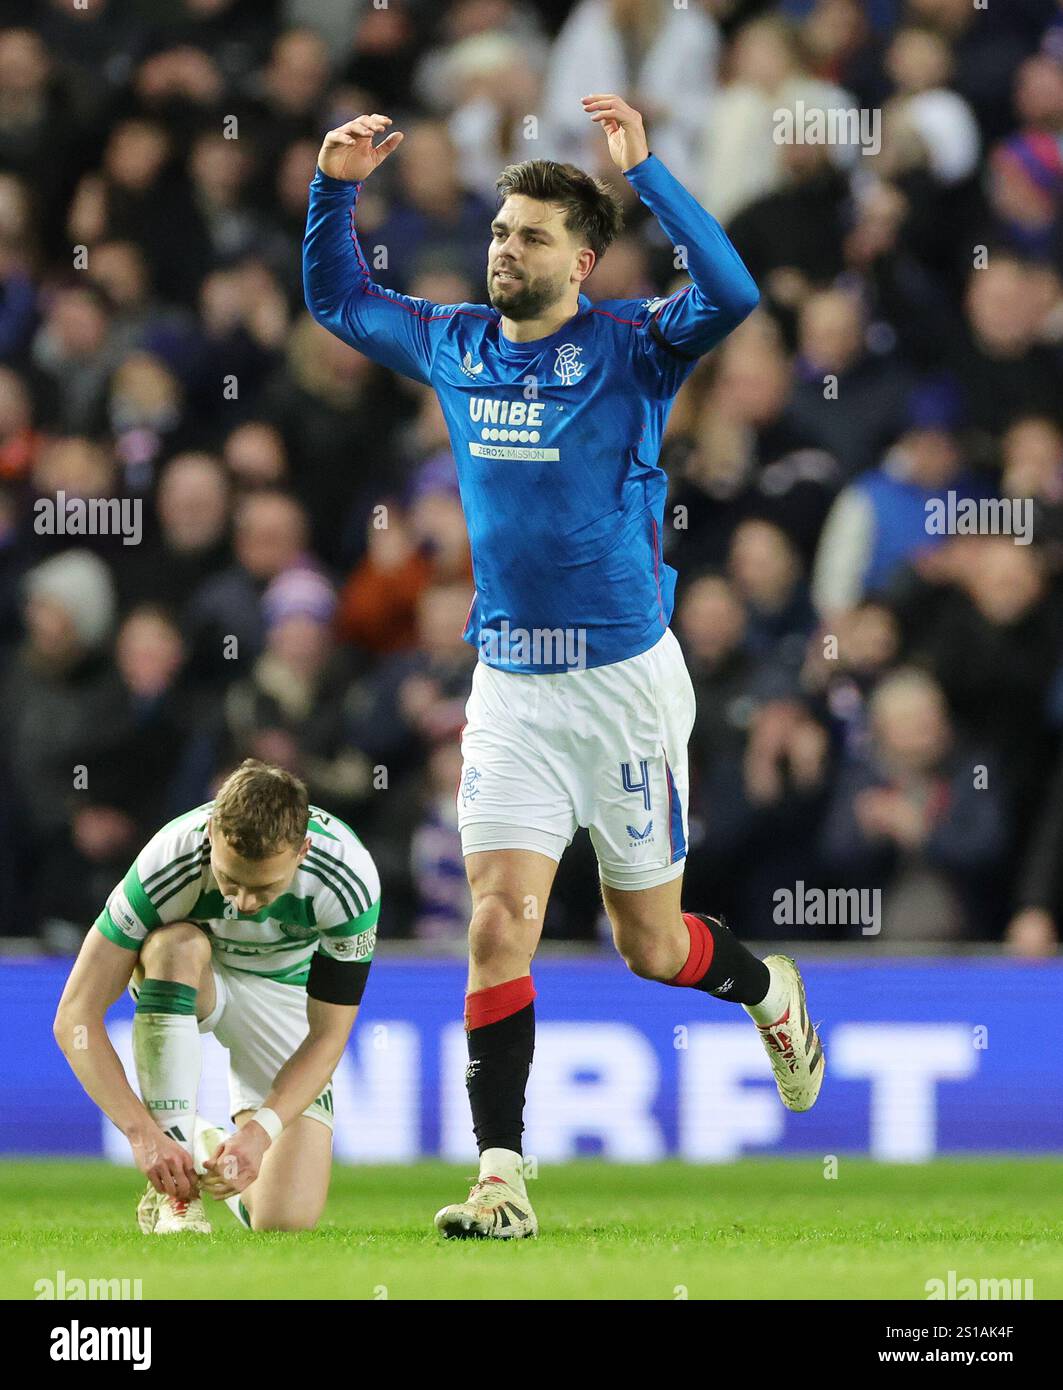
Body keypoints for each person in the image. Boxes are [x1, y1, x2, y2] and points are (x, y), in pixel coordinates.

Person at [303, 97, 824, 1242]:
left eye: (532, 236)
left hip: (624, 685)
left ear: (582, 261)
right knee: (498, 920)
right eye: (500, 231)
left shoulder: (632, 344)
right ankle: (501, 1174)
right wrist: (334, 186)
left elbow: (735, 295)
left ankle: (766, 988)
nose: (505, 248)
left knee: (649, 945)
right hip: (510, 688)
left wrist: (651, 174)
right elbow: (338, 299)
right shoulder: (451, 342)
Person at [53, 760, 380, 1234]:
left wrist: (258, 1134)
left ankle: (196, 1140)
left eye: (263, 886)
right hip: (199, 974)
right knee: (174, 946)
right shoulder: (168, 859)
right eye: (230, 880)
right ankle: (174, 1190)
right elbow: (75, 1017)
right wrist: (143, 1135)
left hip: (286, 994)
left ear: (303, 850)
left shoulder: (348, 880)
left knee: (284, 1221)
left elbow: (329, 1037)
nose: (243, 903)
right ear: (211, 833)